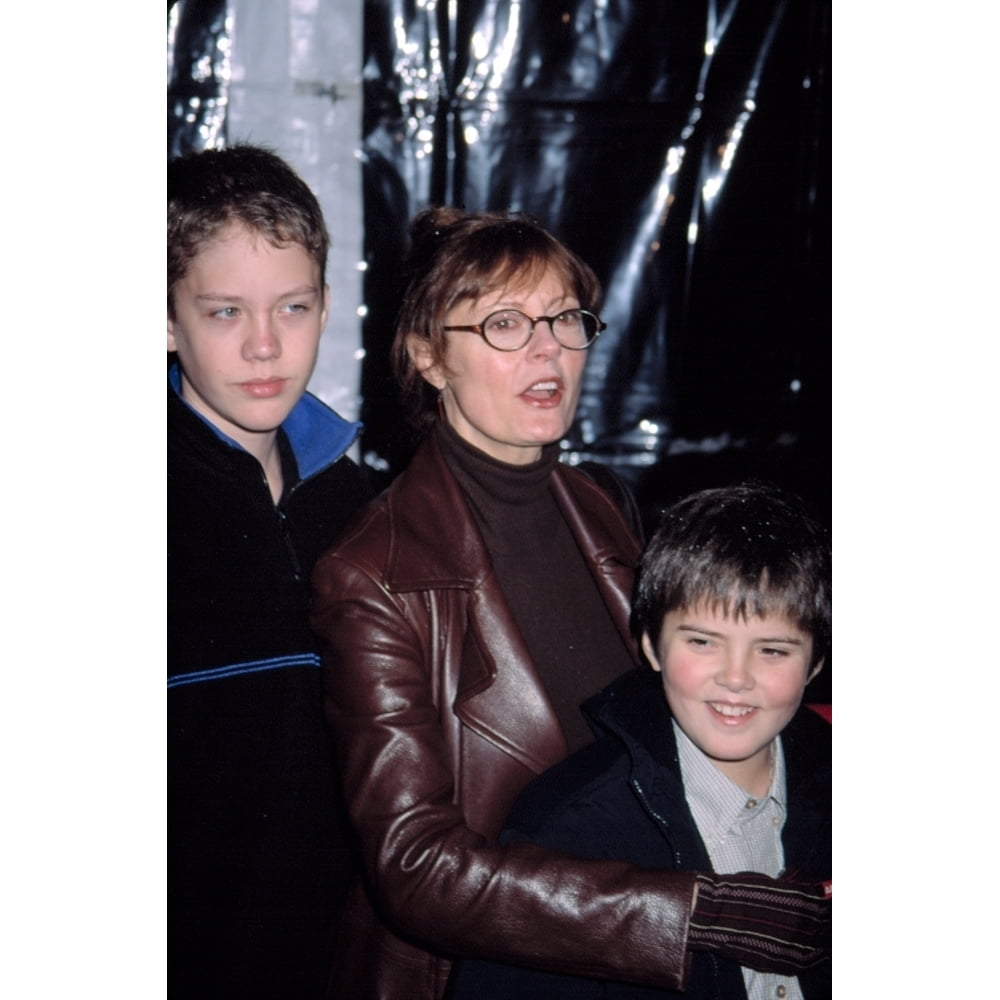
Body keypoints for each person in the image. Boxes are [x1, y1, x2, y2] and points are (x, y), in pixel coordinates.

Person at [309, 208, 830, 1000]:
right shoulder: (371, 573)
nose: (549, 348)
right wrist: (691, 915)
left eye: (565, 318)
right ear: (429, 357)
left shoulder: (602, 503)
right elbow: (415, 866)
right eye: (507, 324)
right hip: (483, 978)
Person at [447, 481, 832, 999]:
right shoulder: (567, 829)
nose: (736, 678)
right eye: (702, 642)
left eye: (773, 651)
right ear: (651, 645)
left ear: (816, 665)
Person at [168, 144, 376, 998]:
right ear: (164, 317)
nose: (264, 345)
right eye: (224, 313)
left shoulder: (369, 507)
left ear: (327, 307)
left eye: (291, 306)